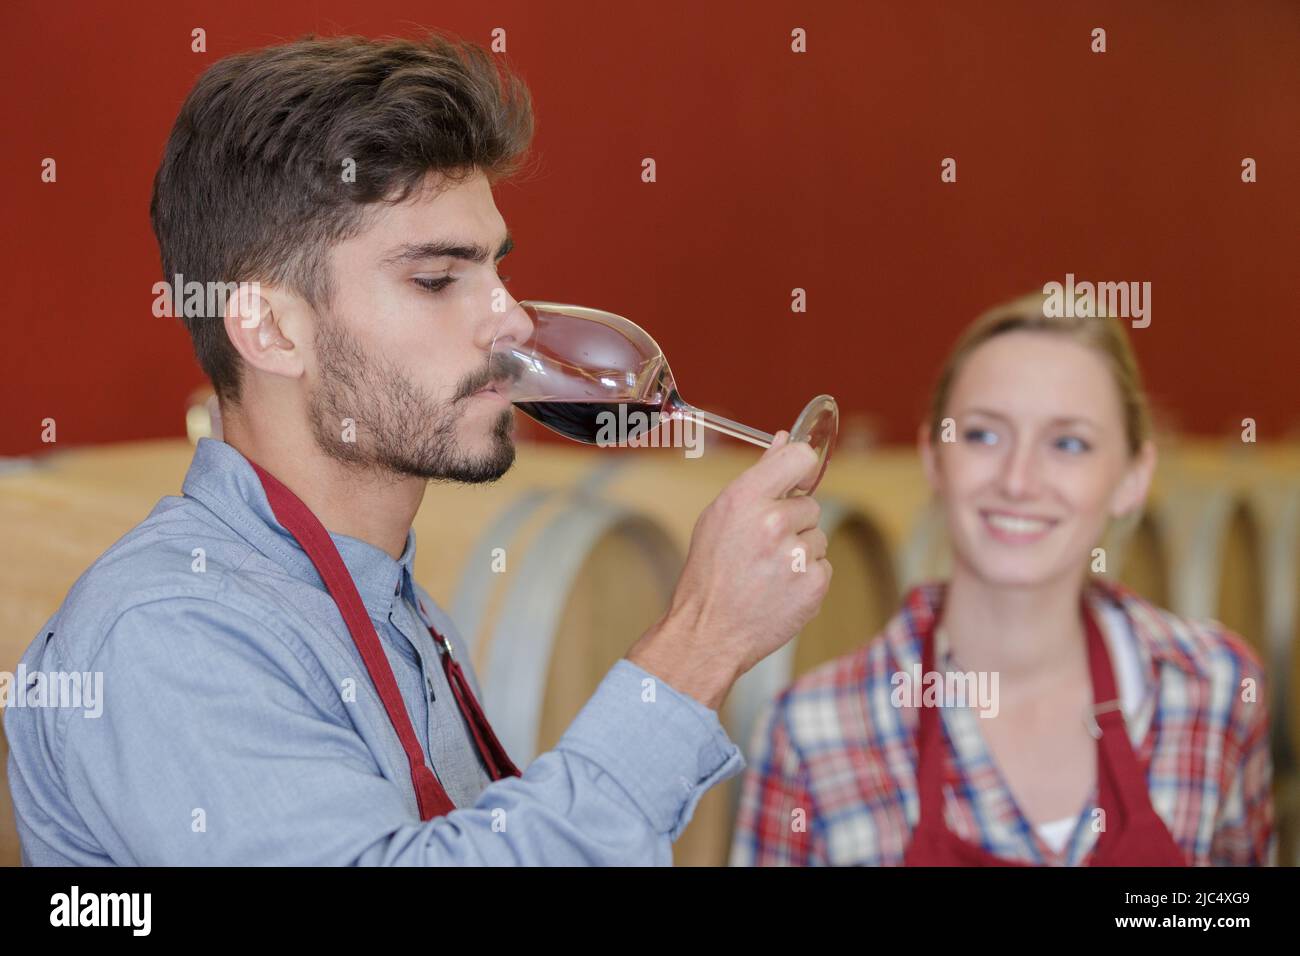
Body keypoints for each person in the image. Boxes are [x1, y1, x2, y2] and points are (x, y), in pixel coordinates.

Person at [2, 32, 832, 865]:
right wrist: (700, 639)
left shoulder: (395, 609)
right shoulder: (169, 631)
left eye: (496, 271)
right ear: (268, 327)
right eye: (437, 279)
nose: (509, 318)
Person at [730, 292, 1274, 866]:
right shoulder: (815, 732)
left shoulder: (1214, 688)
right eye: (984, 435)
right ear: (934, 457)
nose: (1018, 481)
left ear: (1133, 477)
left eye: (1069, 443)